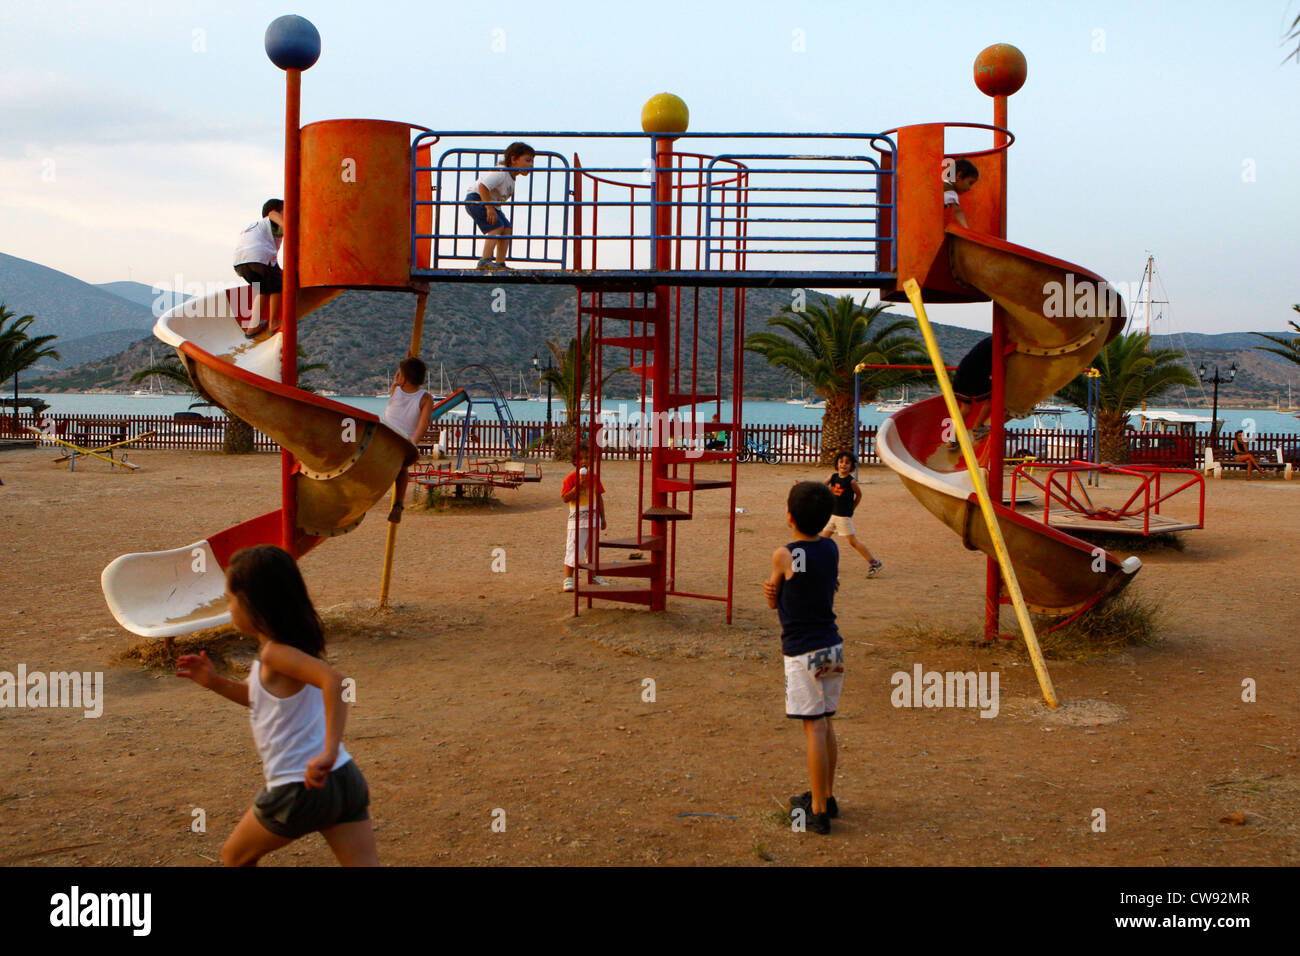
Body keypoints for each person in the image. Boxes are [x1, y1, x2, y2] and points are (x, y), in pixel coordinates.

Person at [174, 545, 377, 866]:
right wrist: (215, 683)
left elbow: (335, 682)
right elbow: (265, 703)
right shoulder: (297, 646)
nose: (229, 609)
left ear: (254, 603)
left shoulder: (274, 653)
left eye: (230, 599)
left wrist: (327, 750)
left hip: (299, 787)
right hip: (343, 779)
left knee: (234, 856)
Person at [763, 481, 844, 836]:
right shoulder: (830, 548)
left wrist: (771, 587)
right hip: (831, 646)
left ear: (790, 516)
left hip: (802, 650)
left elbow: (774, 596)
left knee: (812, 726)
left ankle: (818, 811)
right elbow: (809, 572)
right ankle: (826, 794)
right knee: (826, 721)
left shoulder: (784, 554)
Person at [464, 142, 535, 271]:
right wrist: (489, 208)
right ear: (513, 159)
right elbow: (483, 186)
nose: (531, 165)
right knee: (496, 227)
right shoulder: (501, 172)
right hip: (477, 199)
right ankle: (484, 261)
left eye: (532, 162)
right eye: (527, 160)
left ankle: (500, 263)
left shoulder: (511, 178)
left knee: (507, 228)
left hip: (491, 204)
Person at [381, 356, 435, 523]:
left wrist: (406, 358)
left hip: (384, 435)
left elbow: (398, 377)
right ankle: (398, 504)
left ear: (402, 377)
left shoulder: (395, 390)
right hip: (403, 441)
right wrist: (413, 443)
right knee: (402, 470)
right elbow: (424, 423)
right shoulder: (425, 398)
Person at [820, 451, 882, 578]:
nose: (843, 465)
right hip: (832, 515)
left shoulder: (851, 481)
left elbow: (859, 495)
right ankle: (825, 564)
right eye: (841, 462)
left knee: (853, 541)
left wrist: (851, 509)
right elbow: (820, 487)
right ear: (837, 464)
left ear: (852, 466)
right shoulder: (832, 477)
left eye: (847, 463)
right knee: (823, 539)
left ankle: (874, 563)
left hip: (843, 516)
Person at [233, 199, 284, 337]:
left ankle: (253, 326)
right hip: (257, 257)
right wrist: (288, 224)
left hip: (240, 263)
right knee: (278, 285)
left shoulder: (257, 227)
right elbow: (273, 214)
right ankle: (273, 322)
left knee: (263, 290)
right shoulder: (271, 219)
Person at [560, 445, 608, 592]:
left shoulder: (594, 478)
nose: (584, 461)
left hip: (593, 520)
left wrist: (603, 518)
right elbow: (565, 498)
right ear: (574, 461)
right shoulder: (570, 478)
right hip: (577, 521)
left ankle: (593, 575)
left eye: (587, 458)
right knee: (574, 549)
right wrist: (577, 488)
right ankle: (569, 578)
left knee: (593, 550)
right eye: (580, 458)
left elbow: (599, 498)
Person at [950, 335, 994, 448]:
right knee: (995, 396)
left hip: (962, 371)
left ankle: (951, 439)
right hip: (975, 375)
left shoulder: (989, 340)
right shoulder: (997, 342)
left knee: (965, 408)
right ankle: (978, 428)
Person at [943, 157, 979, 229]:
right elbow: (957, 211)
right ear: (959, 176)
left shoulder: (941, 185)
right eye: (970, 183)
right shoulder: (950, 191)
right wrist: (966, 229)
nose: (970, 188)